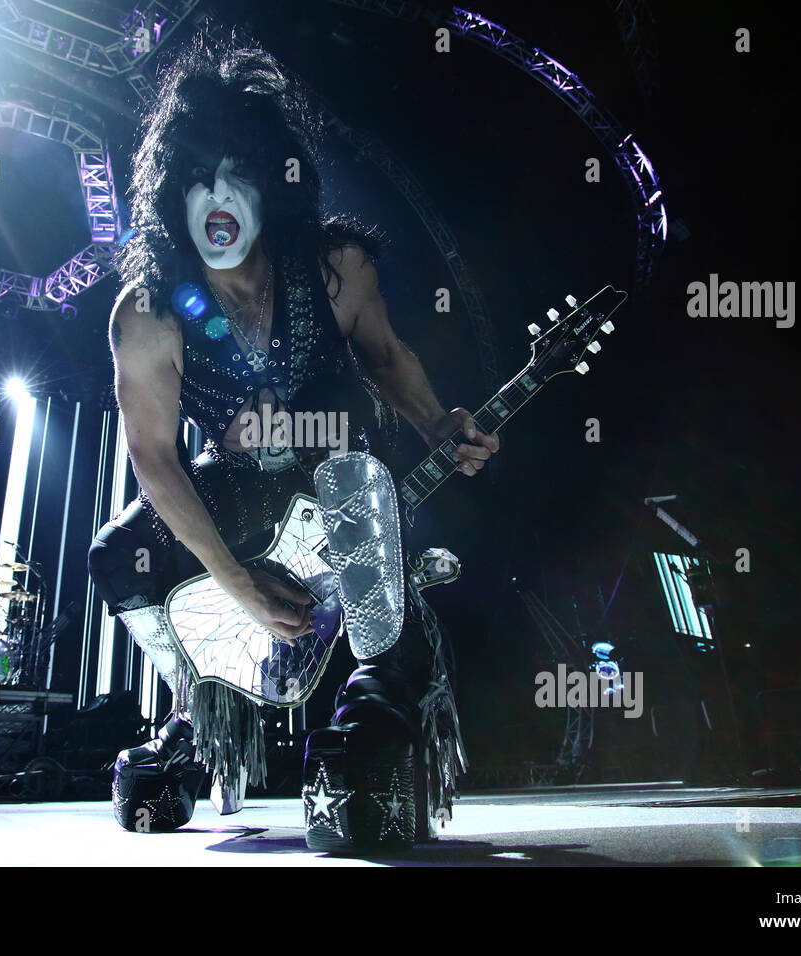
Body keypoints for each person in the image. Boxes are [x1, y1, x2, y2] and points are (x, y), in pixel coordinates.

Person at [87, 33, 498, 849]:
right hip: (235, 490)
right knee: (117, 553)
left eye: (238, 174)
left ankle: (376, 711)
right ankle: (201, 706)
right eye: (198, 178)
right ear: (171, 195)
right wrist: (237, 584)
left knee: (350, 473)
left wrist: (439, 424)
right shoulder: (148, 313)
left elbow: (387, 357)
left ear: (275, 184)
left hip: (344, 478)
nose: (217, 196)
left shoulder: (337, 266)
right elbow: (154, 461)